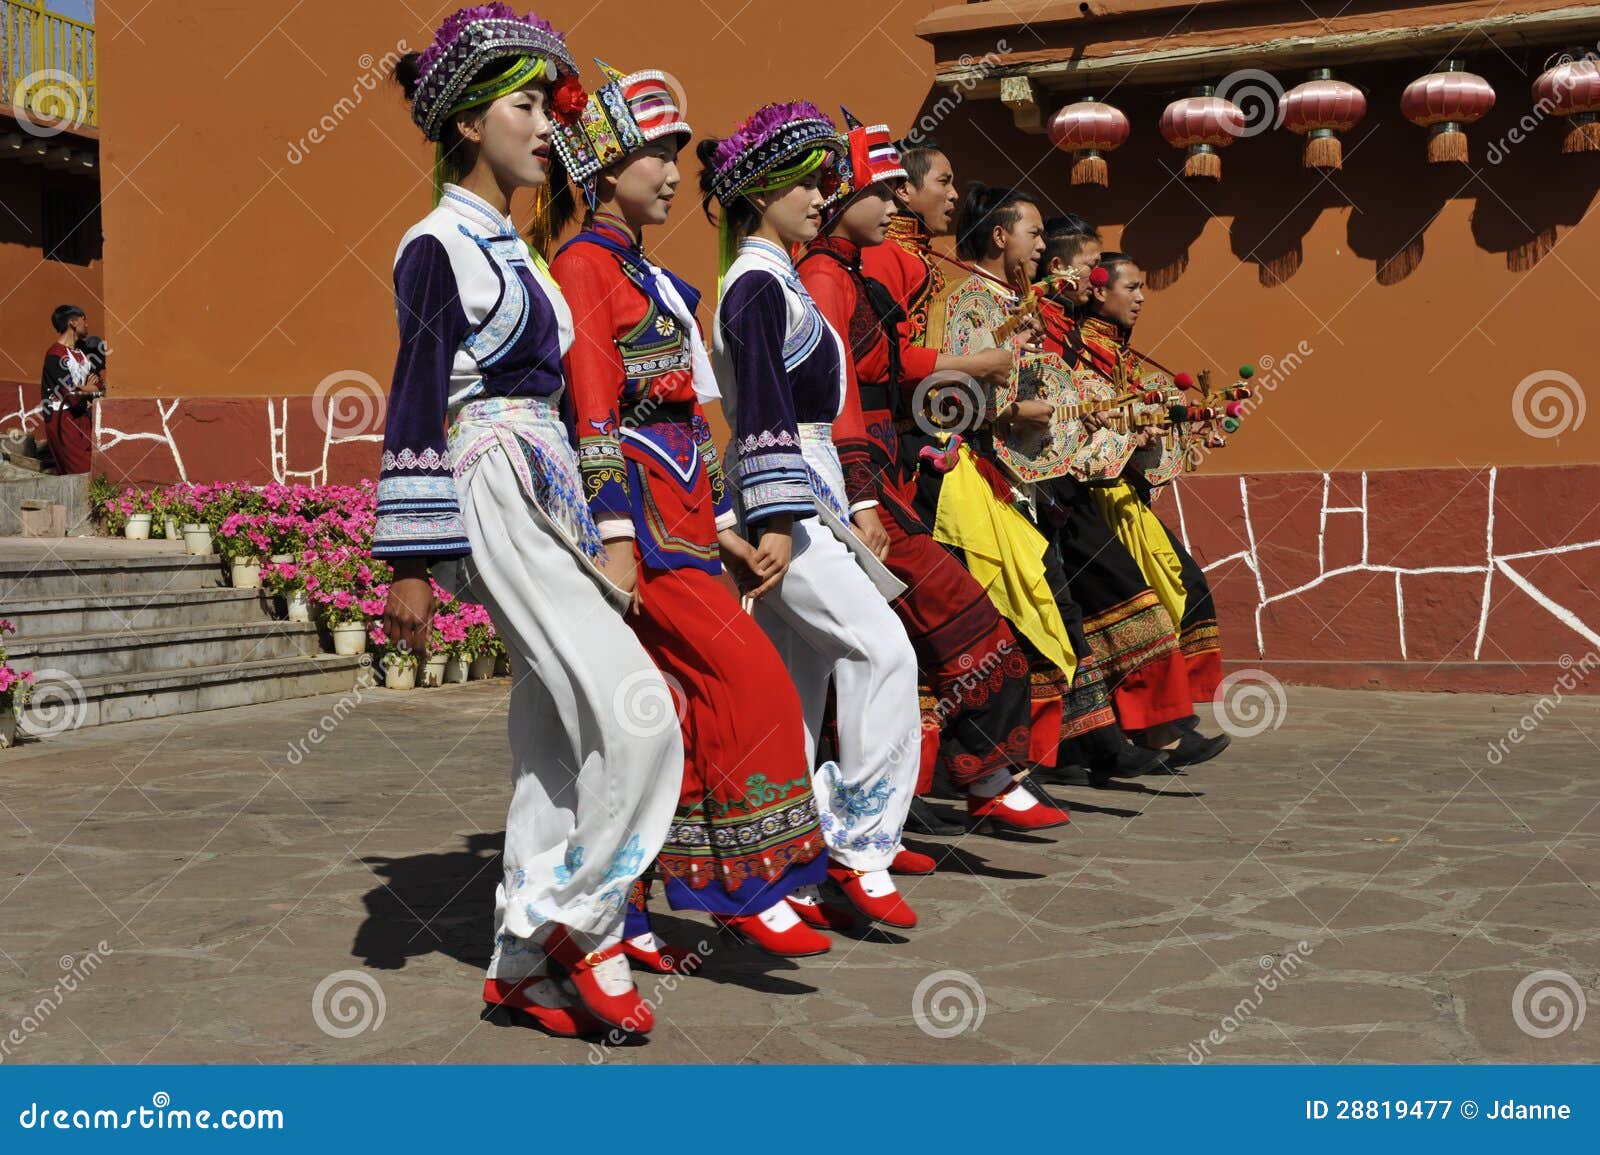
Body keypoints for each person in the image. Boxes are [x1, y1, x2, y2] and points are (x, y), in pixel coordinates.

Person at [380, 4, 683, 1039]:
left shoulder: (522, 248)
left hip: (546, 481)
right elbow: (414, 396)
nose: (548, 124)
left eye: (549, 106)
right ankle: (582, 928)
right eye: (525, 105)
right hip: (495, 476)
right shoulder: (435, 247)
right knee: (643, 712)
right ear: (468, 122)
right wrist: (411, 559)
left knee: (554, 741)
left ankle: (517, 962)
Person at [550, 64, 833, 960]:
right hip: (636, 523)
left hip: (685, 525)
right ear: (600, 168)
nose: (673, 171)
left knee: (658, 714)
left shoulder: (655, 275)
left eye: (676, 153)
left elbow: (689, 420)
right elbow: (594, 409)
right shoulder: (585, 267)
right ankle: (745, 880)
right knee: (748, 681)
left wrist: (723, 531)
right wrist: (617, 538)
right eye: (652, 154)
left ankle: (631, 910)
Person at [703, 101, 923, 929]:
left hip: (809, 485)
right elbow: (759, 404)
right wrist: (774, 522)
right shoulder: (755, 283)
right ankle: (860, 843)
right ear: (760, 192)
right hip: (784, 492)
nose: (822, 195)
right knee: (882, 649)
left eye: (827, 180)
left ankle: (787, 867)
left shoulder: (779, 277)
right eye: (805, 181)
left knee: (802, 684)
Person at [796, 114, 1036, 844]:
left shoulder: (844, 274)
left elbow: (889, 365)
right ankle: (928, 801)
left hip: (874, 471)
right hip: (845, 478)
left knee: (887, 648)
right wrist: (863, 493)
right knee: (945, 615)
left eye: (905, 191)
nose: (899, 204)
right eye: (887, 191)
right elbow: (844, 392)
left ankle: (894, 816)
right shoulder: (822, 277)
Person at [1070, 251, 1231, 764]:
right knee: (1141, 612)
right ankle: (1156, 732)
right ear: (1098, 291)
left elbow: (1140, 432)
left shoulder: (1117, 357)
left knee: (1183, 589)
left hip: (1119, 497)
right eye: (1131, 287)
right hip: (1083, 501)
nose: (1141, 297)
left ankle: (1163, 726)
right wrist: (1133, 432)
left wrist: (1185, 429)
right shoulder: (1075, 354)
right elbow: (1077, 431)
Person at [39, 305, 102, 475]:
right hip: (63, 418)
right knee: (78, 471)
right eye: (84, 321)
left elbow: (99, 385)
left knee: (93, 469)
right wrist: (88, 388)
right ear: (72, 323)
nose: (87, 326)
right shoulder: (55, 355)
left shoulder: (82, 353)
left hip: (82, 417)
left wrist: (84, 389)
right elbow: (70, 394)